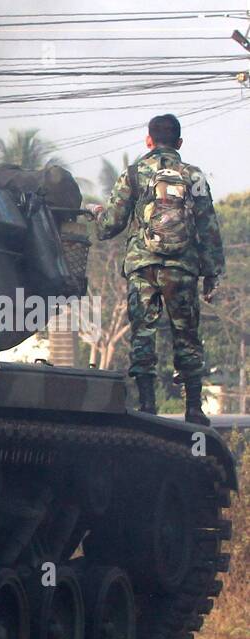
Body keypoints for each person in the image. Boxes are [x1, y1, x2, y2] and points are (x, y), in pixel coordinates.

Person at [94, 113, 224, 425]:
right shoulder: (193, 177)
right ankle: (194, 408)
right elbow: (208, 227)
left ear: (148, 140)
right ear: (179, 143)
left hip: (143, 267)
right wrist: (211, 273)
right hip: (182, 268)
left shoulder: (134, 174)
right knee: (187, 334)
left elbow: (109, 226)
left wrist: (97, 216)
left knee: (143, 334)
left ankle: (148, 407)